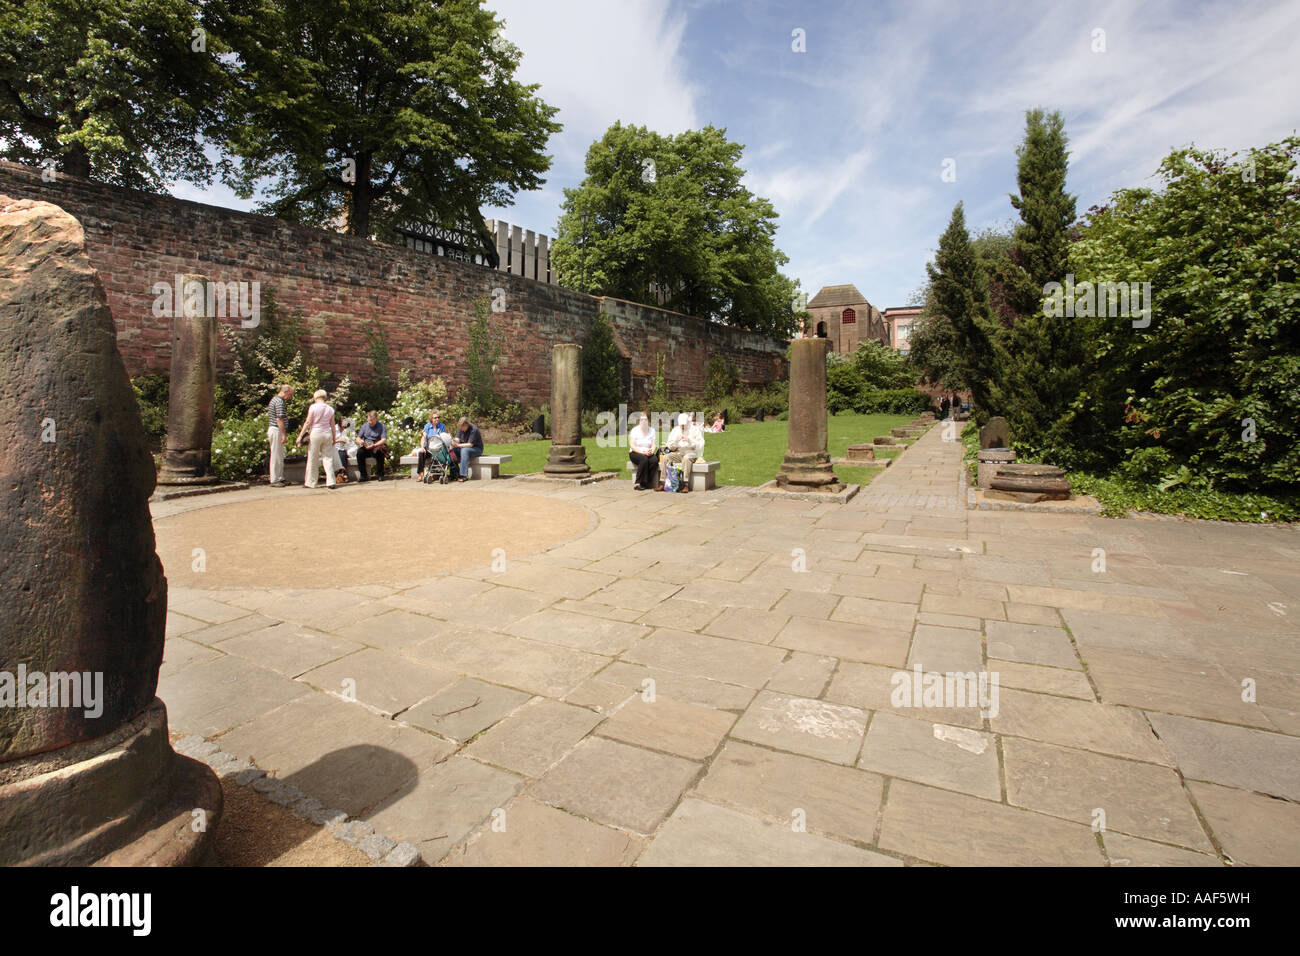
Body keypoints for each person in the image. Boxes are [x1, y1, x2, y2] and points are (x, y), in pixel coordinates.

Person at [296, 389, 338, 489]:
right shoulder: (330, 409)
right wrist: (334, 437)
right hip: (327, 433)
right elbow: (332, 425)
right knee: (328, 458)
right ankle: (331, 481)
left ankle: (311, 482)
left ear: (316, 397)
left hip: (316, 433)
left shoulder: (313, 407)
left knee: (313, 458)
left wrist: (300, 435)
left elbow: (308, 422)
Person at [660, 412, 705, 493]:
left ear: (688, 422)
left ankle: (685, 484)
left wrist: (690, 440)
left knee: (686, 458)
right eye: (681, 425)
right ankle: (662, 482)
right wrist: (676, 441)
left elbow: (700, 445)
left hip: (690, 452)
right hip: (678, 452)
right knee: (666, 457)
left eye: (684, 424)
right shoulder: (675, 430)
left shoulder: (694, 430)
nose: (683, 426)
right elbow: (669, 445)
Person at [266, 384, 293, 487]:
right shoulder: (279, 401)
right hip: (276, 430)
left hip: (276, 430)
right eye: (290, 394)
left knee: (279, 455)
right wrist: (283, 434)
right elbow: (279, 419)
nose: (289, 397)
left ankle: (280, 477)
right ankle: (275, 479)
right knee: (276, 455)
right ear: (285, 391)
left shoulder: (276, 400)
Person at [628, 412, 659, 490]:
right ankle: (637, 483)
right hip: (635, 452)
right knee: (643, 459)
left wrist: (651, 451)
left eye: (645, 419)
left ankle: (646, 482)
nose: (644, 421)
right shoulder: (635, 430)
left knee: (654, 460)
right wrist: (643, 453)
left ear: (648, 420)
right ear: (639, 421)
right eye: (642, 419)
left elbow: (653, 444)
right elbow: (632, 445)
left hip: (647, 452)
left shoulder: (652, 430)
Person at [356, 410, 389, 481]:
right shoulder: (364, 426)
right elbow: (358, 438)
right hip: (367, 445)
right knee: (359, 453)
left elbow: (383, 440)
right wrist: (360, 441)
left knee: (380, 453)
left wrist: (375, 445)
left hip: (376, 445)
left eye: (372, 421)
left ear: (376, 419)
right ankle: (363, 475)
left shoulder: (381, 426)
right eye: (369, 420)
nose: (370, 422)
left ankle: (380, 474)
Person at [415, 410, 448, 480]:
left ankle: (433, 474)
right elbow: (423, 437)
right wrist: (422, 447)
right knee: (421, 452)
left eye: (438, 417)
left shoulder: (442, 426)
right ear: (431, 419)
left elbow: (443, 437)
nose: (437, 419)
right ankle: (420, 474)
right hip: (429, 448)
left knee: (437, 454)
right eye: (435, 418)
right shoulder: (427, 426)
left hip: (438, 448)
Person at [452, 416, 483, 481]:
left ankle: (463, 475)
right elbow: (458, 439)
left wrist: (458, 445)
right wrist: (453, 440)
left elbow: (470, 444)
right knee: (452, 451)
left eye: (462, 427)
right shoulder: (461, 427)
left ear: (466, 425)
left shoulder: (474, 429)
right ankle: (455, 473)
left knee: (464, 450)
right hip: (464, 447)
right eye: (460, 427)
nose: (461, 429)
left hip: (476, 449)